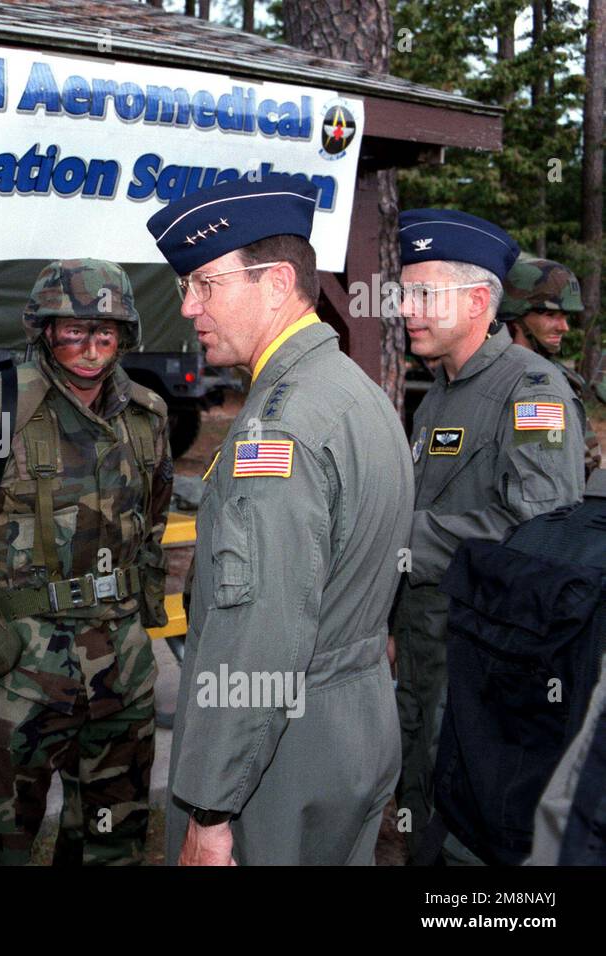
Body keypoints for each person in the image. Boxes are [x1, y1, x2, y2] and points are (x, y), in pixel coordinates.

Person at [146, 175, 412, 865]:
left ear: (276, 283)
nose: (188, 306)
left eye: (205, 283)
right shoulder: (357, 392)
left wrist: (210, 806)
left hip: (279, 755)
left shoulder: (280, 429)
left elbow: (259, 632)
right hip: (353, 726)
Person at [0, 258, 173, 865]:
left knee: (114, 837)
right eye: (74, 330)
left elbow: (151, 523)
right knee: (6, 838)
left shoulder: (148, 415)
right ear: (44, 329)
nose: (90, 347)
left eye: (105, 332)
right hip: (20, 666)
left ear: (124, 336)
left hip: (122, 664)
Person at [391, 209, 585, 864]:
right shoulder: (442, 390)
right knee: (419, 809)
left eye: (424, 294)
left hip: (483, 667)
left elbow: (539, 526)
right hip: (427, 648)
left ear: (478, 301)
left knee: (468, 836)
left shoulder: (533, 391)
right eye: (403, 292)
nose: (406, 309)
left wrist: (401, 541)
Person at [499, 253, 600, 478]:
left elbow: (586, 462)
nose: (563, 327)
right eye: (551, 314)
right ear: (516, 317)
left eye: (564, 316)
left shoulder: (560, 377)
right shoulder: (516, 382)